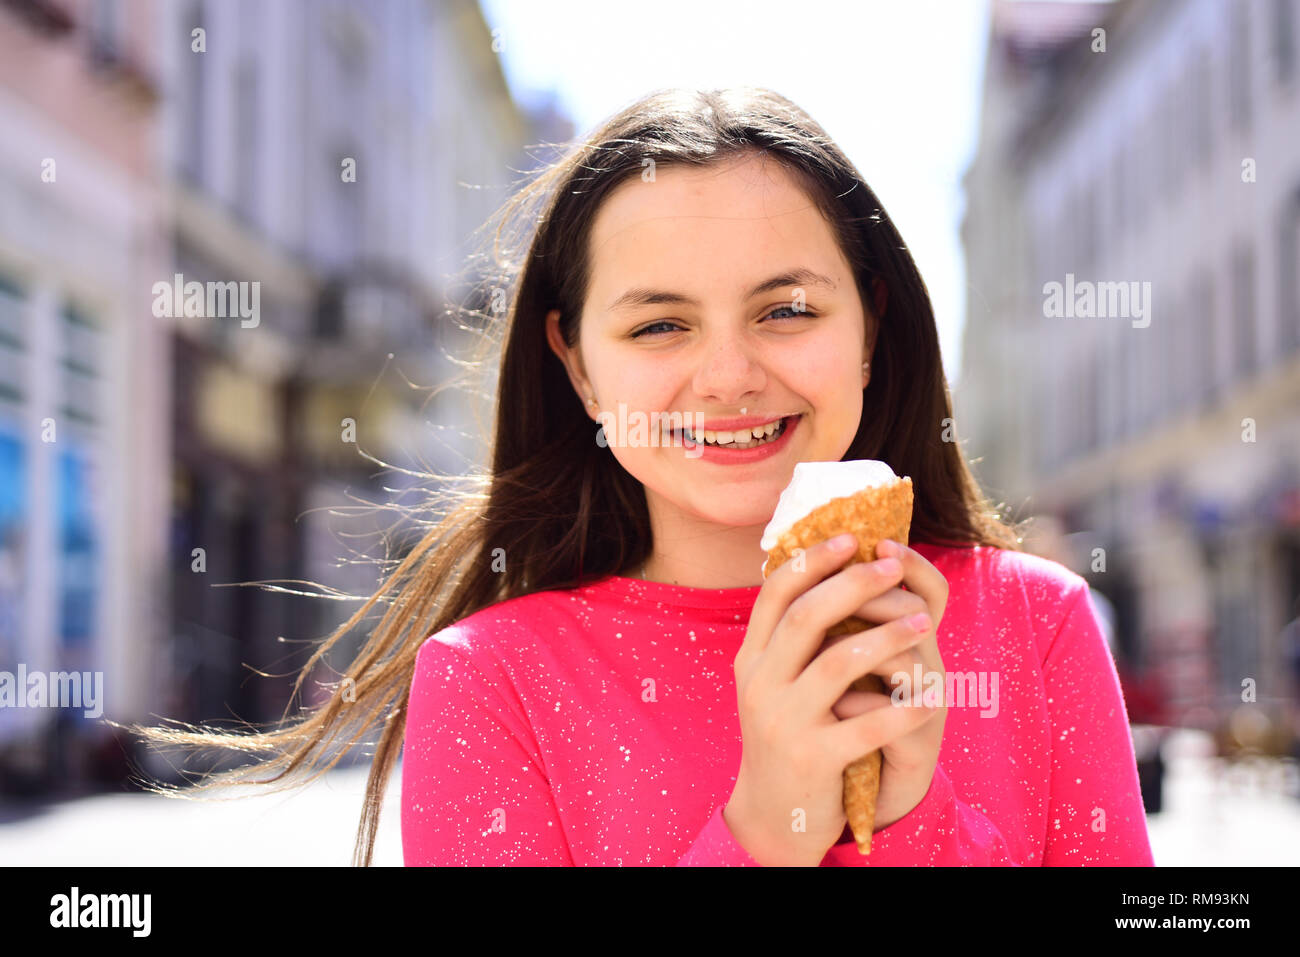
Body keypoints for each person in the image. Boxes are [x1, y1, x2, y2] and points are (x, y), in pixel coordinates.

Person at [129, 87, 1155, 867]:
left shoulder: (1032, 626)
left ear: (872, 323)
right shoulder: (490, 685)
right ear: (576, 365)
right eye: (659, 325)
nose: (727, 376)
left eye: (787, 309)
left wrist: (906, 817)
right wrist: (768, 824)